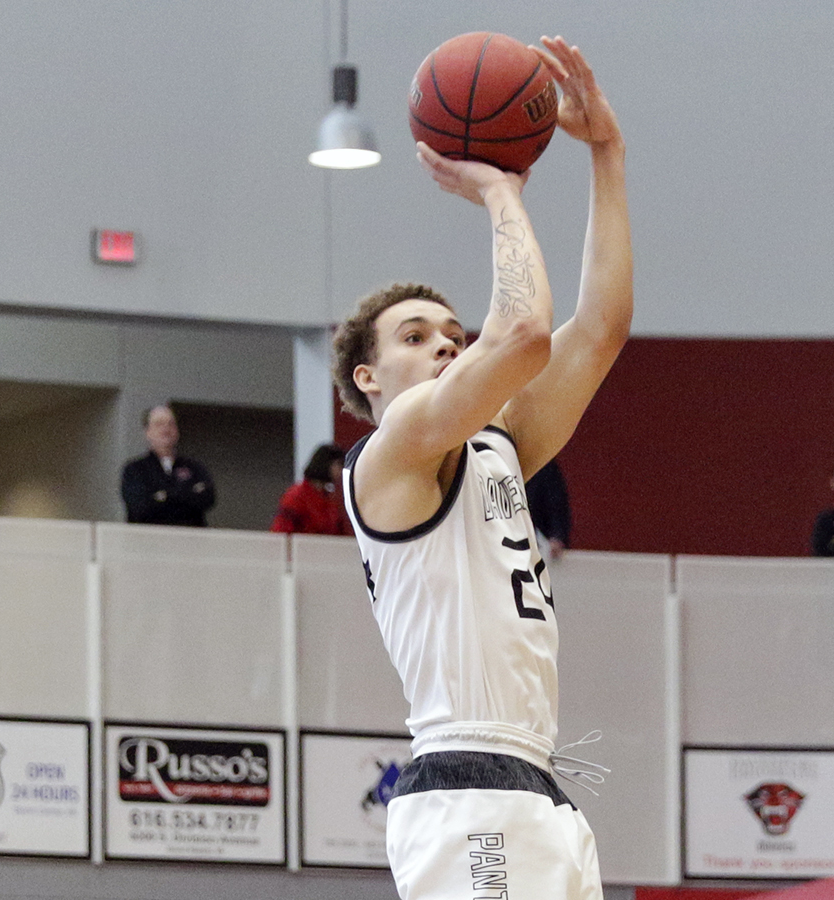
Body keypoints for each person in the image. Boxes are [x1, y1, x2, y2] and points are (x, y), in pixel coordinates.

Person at [332, 38, 630, 900]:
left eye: (451, 336)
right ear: (368, 377)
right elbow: (524, 333)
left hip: (534, 782)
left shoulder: (497, 444)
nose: (444, 344)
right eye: (415, 337)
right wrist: (501, 189)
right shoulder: (391, 455)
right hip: (467, 782)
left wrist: (606, 153)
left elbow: (601, 324)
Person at [120, 404, 215, 527]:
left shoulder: (194, 467)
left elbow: (207, 499)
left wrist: (164, 496)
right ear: (147, 432)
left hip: (189, 541)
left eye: (171, 424)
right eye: (159, 424)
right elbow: (140, 509)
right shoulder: (135, 469)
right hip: (148, 541)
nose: (166, 429)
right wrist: (185, 494)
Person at [270, 443, 346, 535]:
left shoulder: (329, 499)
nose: (341, 470)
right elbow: (281, 532)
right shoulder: (297, 496)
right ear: (326, 464)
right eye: (338, 464)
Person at [525, 458, 572, 560]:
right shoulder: (494, 465)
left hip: (541, 544)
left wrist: (557, 536)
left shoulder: (545, 467)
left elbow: (557, 504)